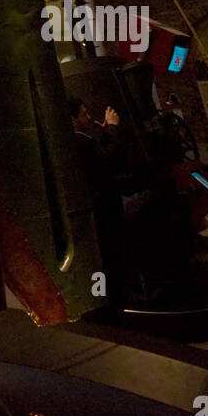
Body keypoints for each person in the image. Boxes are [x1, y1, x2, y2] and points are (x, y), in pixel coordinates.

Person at [69, 96, 126, 317]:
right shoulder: (81, 143)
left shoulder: (78, 141)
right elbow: (107, 162)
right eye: (84, 113)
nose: (90, 117)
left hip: (94, 212)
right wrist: (112, 129)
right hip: (101, 213)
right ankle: (106, 308)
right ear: (73, 119)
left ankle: (101, 302)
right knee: (105, 262)